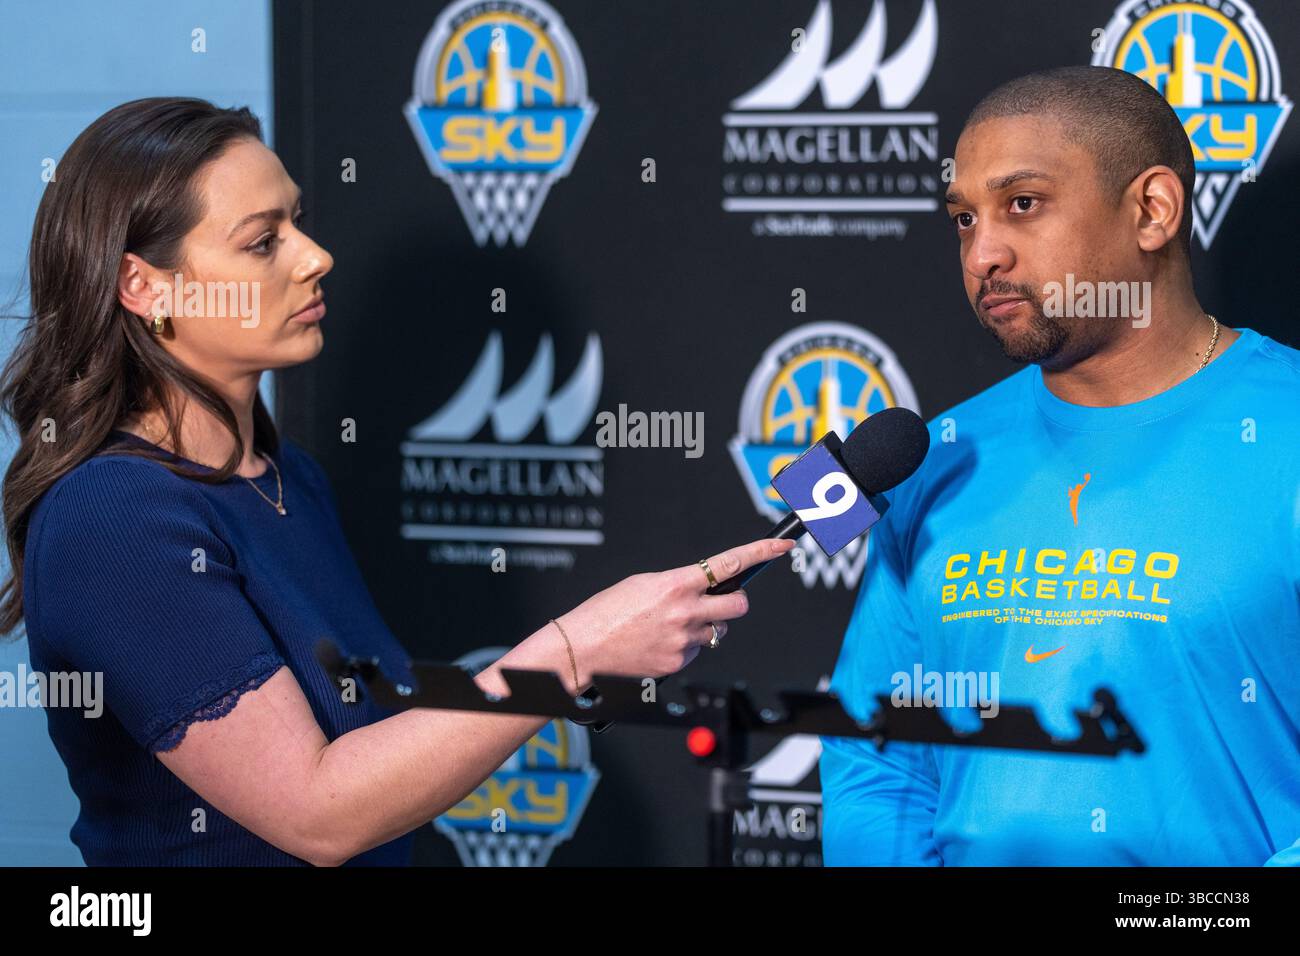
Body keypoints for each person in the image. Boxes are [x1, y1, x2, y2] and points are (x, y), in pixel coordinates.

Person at [0, 96, 792, 866]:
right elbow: (317, 815)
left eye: (298, 221)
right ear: (146, 288)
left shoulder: (286, 481)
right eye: (261, 242)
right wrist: (575, 652)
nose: (315, 256)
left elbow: (383, 756)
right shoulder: (112, 518)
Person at [819, 66, 1300, 866]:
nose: (983, 253)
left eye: (1022, 205)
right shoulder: (935, 457)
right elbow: (878, 755)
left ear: (1152, 210)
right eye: (964, 219)